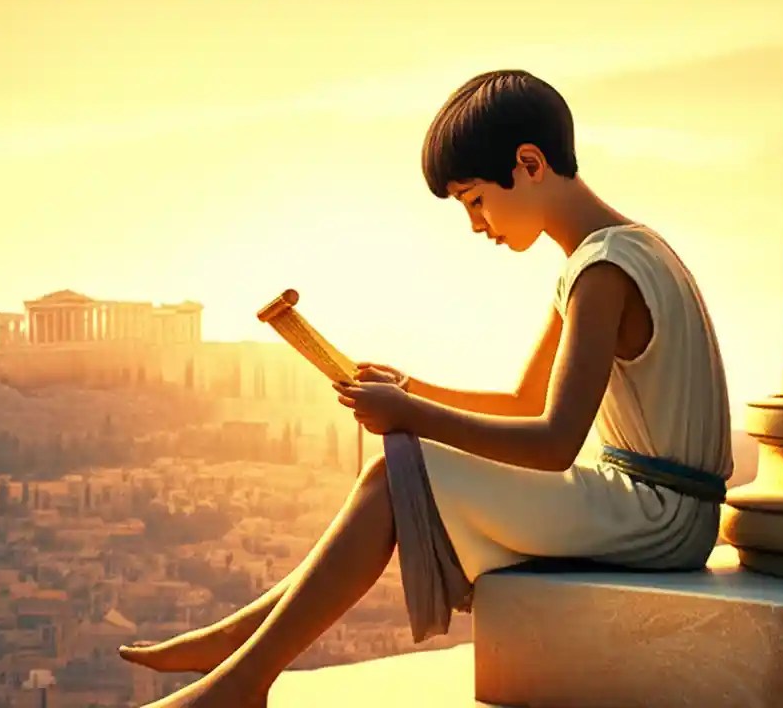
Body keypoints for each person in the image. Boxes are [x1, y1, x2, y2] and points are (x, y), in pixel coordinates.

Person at [120, 68, 733, 707]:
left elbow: (553, 442)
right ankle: (244, 649)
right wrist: (410, 390)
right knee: (398, 467)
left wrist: (408, 414)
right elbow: (525, 404)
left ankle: (242, 676)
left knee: (395, 472)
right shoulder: (612, 253)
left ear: (528, 164)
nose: (477, 225)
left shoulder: (603, 272)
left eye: (474, 200)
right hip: (658, 511)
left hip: (659, 519)